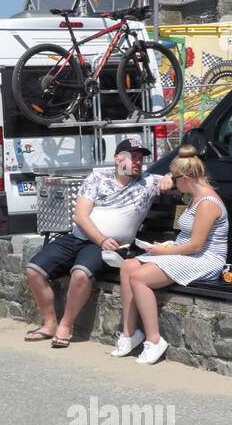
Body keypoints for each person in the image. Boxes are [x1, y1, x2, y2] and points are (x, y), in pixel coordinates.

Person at [24, 138, 173, 348]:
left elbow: (183, 174)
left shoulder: (148, 181)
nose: (138, 162)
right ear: (118, 159)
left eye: (141, 158)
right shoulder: (98, 177)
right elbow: (80, 216)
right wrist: (101, 239)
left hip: (108, 247)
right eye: (133, 157)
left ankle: (65, 326)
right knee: (33, 270)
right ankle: (49, 324)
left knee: (81, 274)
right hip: (81, 237)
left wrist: (169, 176)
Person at [115, 145, 230, 365]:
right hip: (186, 254)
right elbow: (187, 240)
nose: (174, 185)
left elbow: (196, 246)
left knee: (140, 277)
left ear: (186, 178)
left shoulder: (207, 203)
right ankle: (130, 335)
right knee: (128, 267)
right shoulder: (193, 197)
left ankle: (154, 340)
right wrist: (166, 247)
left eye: (175, 180)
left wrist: (162, 252)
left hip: (205, 260)